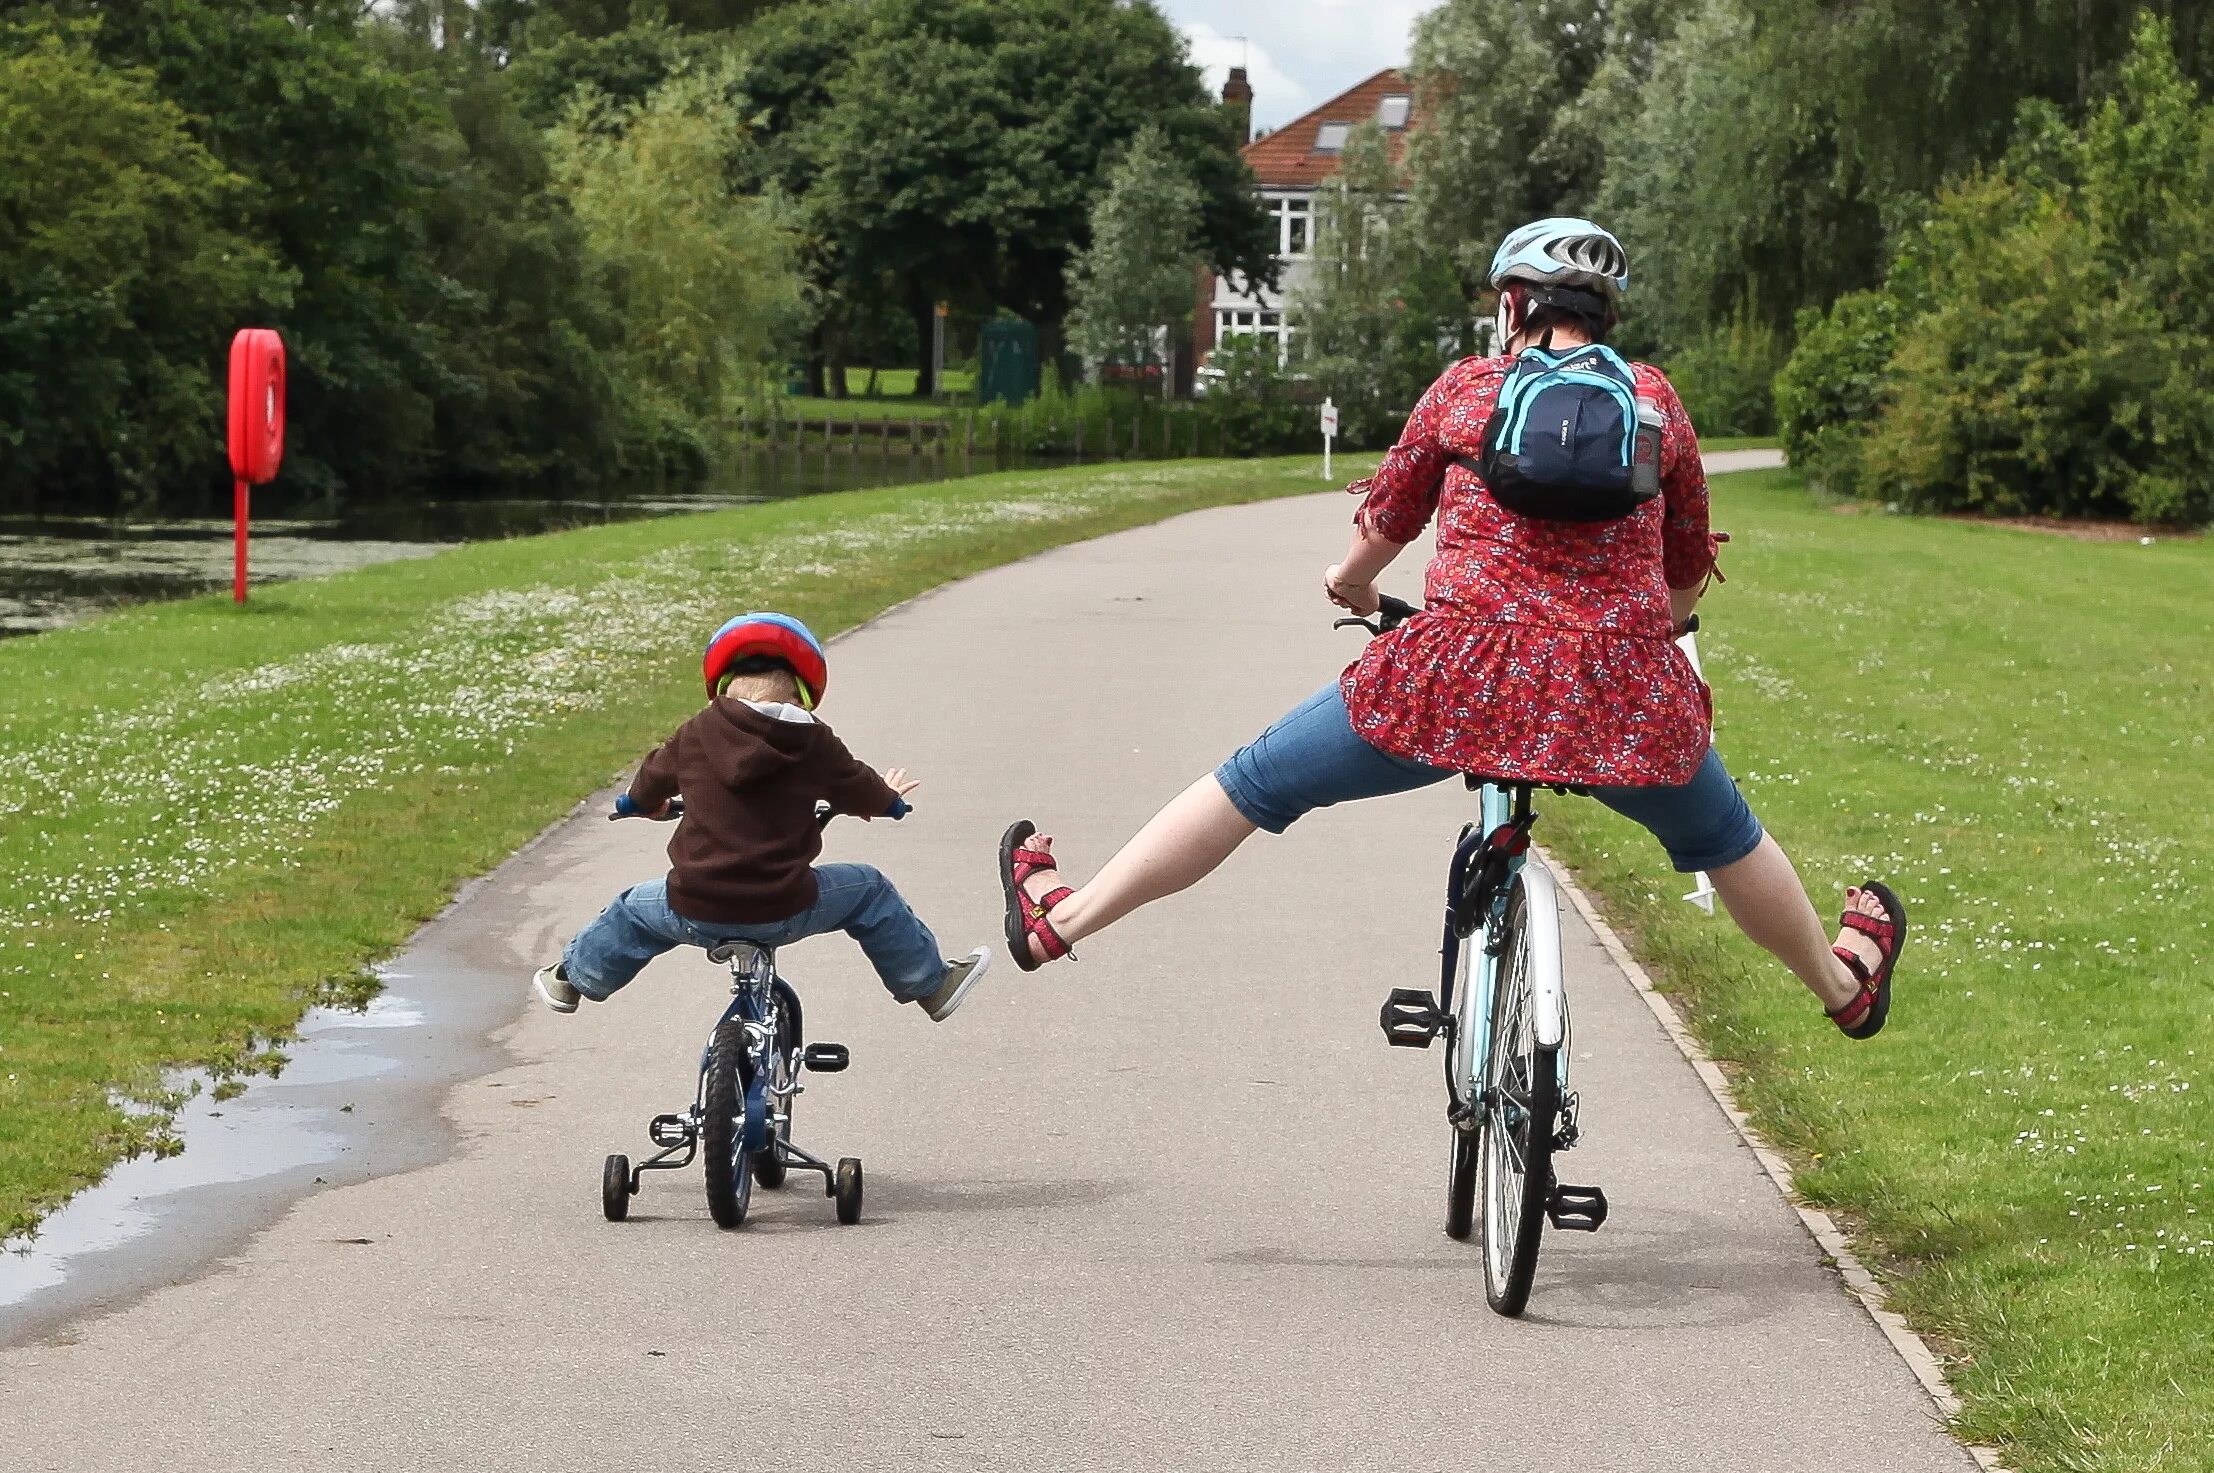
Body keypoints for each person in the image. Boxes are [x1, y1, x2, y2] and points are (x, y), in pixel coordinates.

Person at [996, 218, 1905, 1038]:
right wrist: (1632, 637)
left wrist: (1348, 585)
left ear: (1514, 305)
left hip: (1453, 684)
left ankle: (1060, 922)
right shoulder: (1657, 403)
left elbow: (1381, 530)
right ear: (1603, 314)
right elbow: (1683, 570)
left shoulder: (1466, 391)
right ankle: (1842, 986)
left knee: (1256, 782)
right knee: (1726, 837)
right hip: (1620, 697)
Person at [537, 612, 991, 1021]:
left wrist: (637, 805)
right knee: (870, 889)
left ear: (723, 686)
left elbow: (649, 783)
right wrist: (889, 801)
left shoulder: (696, 733)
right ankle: (930, 987)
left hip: (694, 908)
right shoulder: (814, 741)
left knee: (631, 911)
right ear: (800, 689)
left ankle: (573, 981)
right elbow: (859, 789)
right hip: (787, 908)